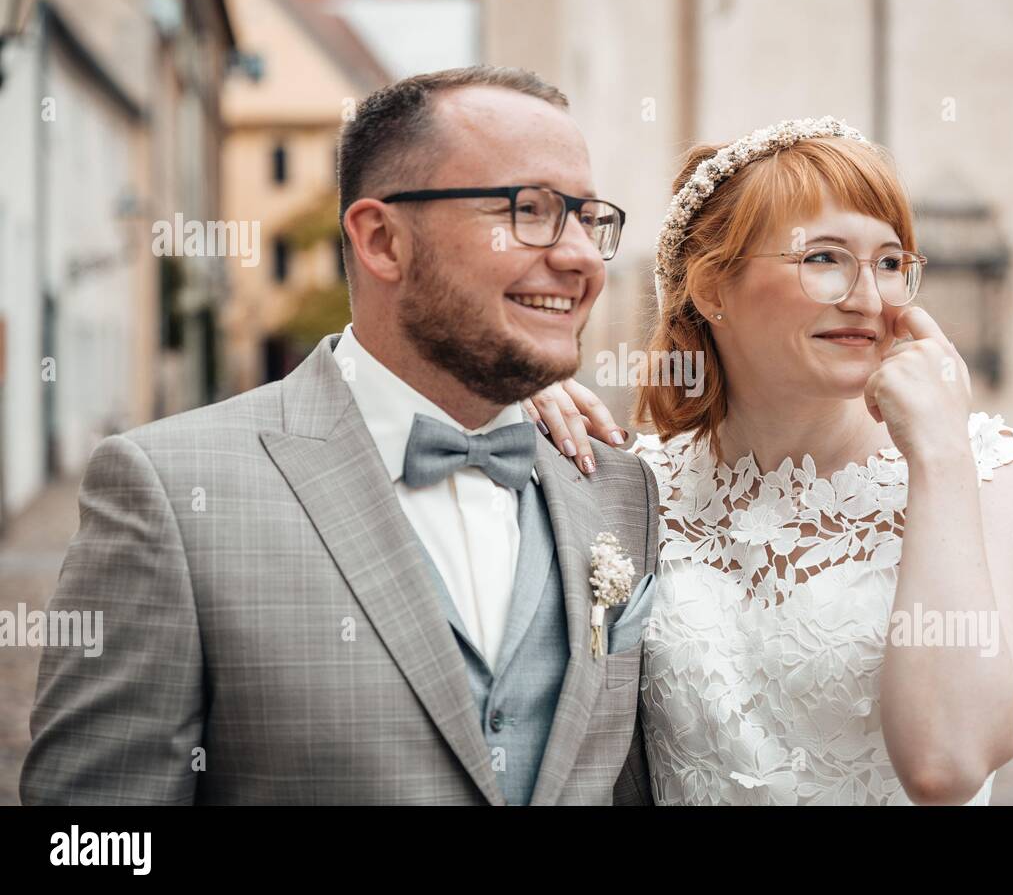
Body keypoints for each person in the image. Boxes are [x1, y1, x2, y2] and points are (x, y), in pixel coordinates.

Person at [21, 66, 658, 805]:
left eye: (588, 217)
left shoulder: (617, 487)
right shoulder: (169, 493)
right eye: (530, 210)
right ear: (383, 239)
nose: (581, 255)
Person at [527, 117, 1013, 805]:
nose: (868, 299)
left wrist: (938, 453)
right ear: (714, 288)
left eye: (891, 264)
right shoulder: (633, 486)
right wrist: (515, 399)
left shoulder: (992, 471)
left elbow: (948, 764)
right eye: (825, 259)